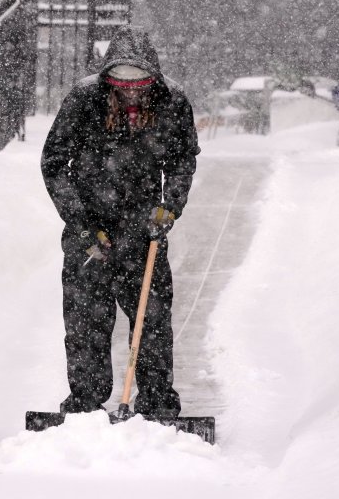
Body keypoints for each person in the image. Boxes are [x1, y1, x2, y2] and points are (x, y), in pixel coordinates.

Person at [40, 25, 200, 418]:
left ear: (153, 78)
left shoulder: (172, 102)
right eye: (120, 83)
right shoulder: (84, 100)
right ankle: (85, 404)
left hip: (144, 230)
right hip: (89, 232)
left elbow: (182, 159)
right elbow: (54, 163)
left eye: (140, 83)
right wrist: (80, 221)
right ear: (106, 77)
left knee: (151, 319)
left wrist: (170, 206)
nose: (130, 91)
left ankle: (157, 401)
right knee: (85, 320)